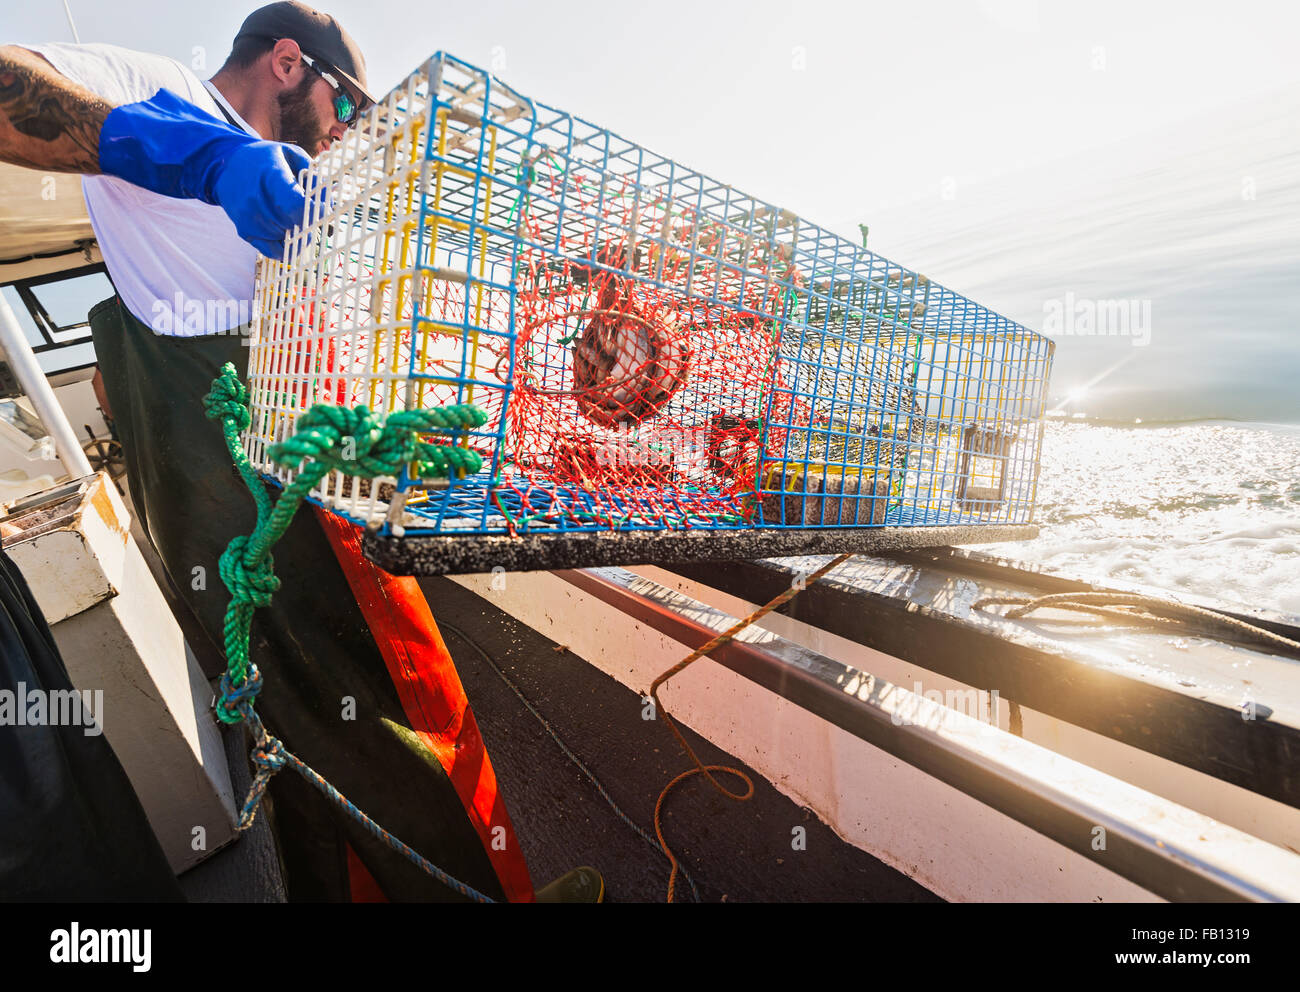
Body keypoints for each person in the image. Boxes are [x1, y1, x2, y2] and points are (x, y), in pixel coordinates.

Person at [0, 2, 555, 902]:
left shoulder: (302, 181)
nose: (346, 133)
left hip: (271, 457)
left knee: (302, 723)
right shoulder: (169, 91)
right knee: (392, 694)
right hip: (246, 476)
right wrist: (206, 160)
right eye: (348, 108)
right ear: (291, 64)